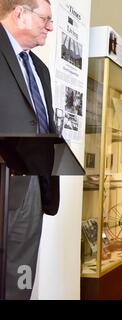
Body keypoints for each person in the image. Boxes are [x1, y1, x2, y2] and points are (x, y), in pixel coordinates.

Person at [0, 0, 59, 299]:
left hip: (32, 185)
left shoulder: (40, 69)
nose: (50, 26)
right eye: (46, 19)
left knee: (20, 276)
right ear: (19, 13)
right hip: (3, 178)